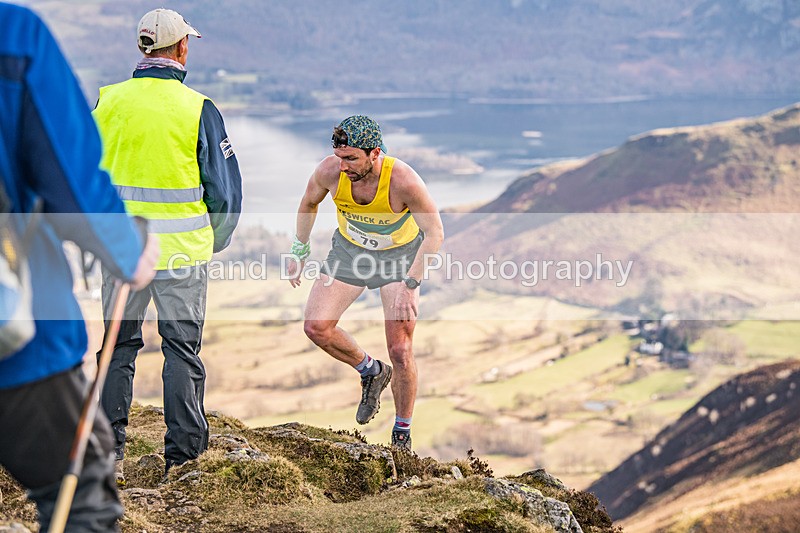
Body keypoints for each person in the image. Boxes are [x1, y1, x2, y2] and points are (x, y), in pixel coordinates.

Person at [0, 3, 158, 531]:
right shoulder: (14, 36)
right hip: (19, 337)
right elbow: (72, 184)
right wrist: (130, 251)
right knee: (80, 499)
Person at [92, 8, 242, 479]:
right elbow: (226, 193)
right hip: (182, 254)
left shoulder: (106, 102)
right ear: (181, 48)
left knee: (117, 347)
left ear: (143, 49)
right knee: (181, 348)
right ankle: (183, 457)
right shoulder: (199, 109)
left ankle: (108, 450)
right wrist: (213, 240)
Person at [288, 115, 444, 450]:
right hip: (350, 252)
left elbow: (434, 233)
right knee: (316, 327)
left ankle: (401, 433)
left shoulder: (403, 180)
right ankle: (371, 370)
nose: (342, 166)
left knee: (401, 349)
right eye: (340, 157)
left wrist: (411, 285)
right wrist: (299, 248)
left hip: (398, 259)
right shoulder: (330, 171)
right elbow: (308, 203)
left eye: (351, 159)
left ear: (374, 153)